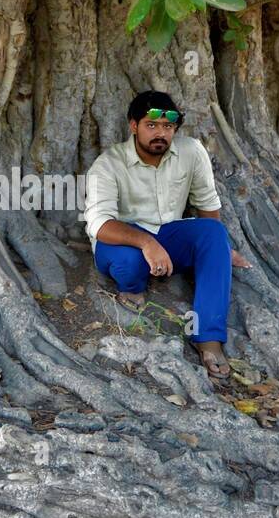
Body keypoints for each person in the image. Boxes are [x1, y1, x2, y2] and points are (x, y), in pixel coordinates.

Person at [83, 90, 250, 377]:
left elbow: (207, 205)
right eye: (151, 125)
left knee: (213, 233)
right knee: (130, 264)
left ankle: (208, 337)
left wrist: (219, 247)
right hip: (123, 238)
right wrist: (146, 243)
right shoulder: (108, 164)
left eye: (168, 127)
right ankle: (133, 288)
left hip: (170, 232)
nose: (160, 133)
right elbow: (99, 224)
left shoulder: (191, 151)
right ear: (133, 126)